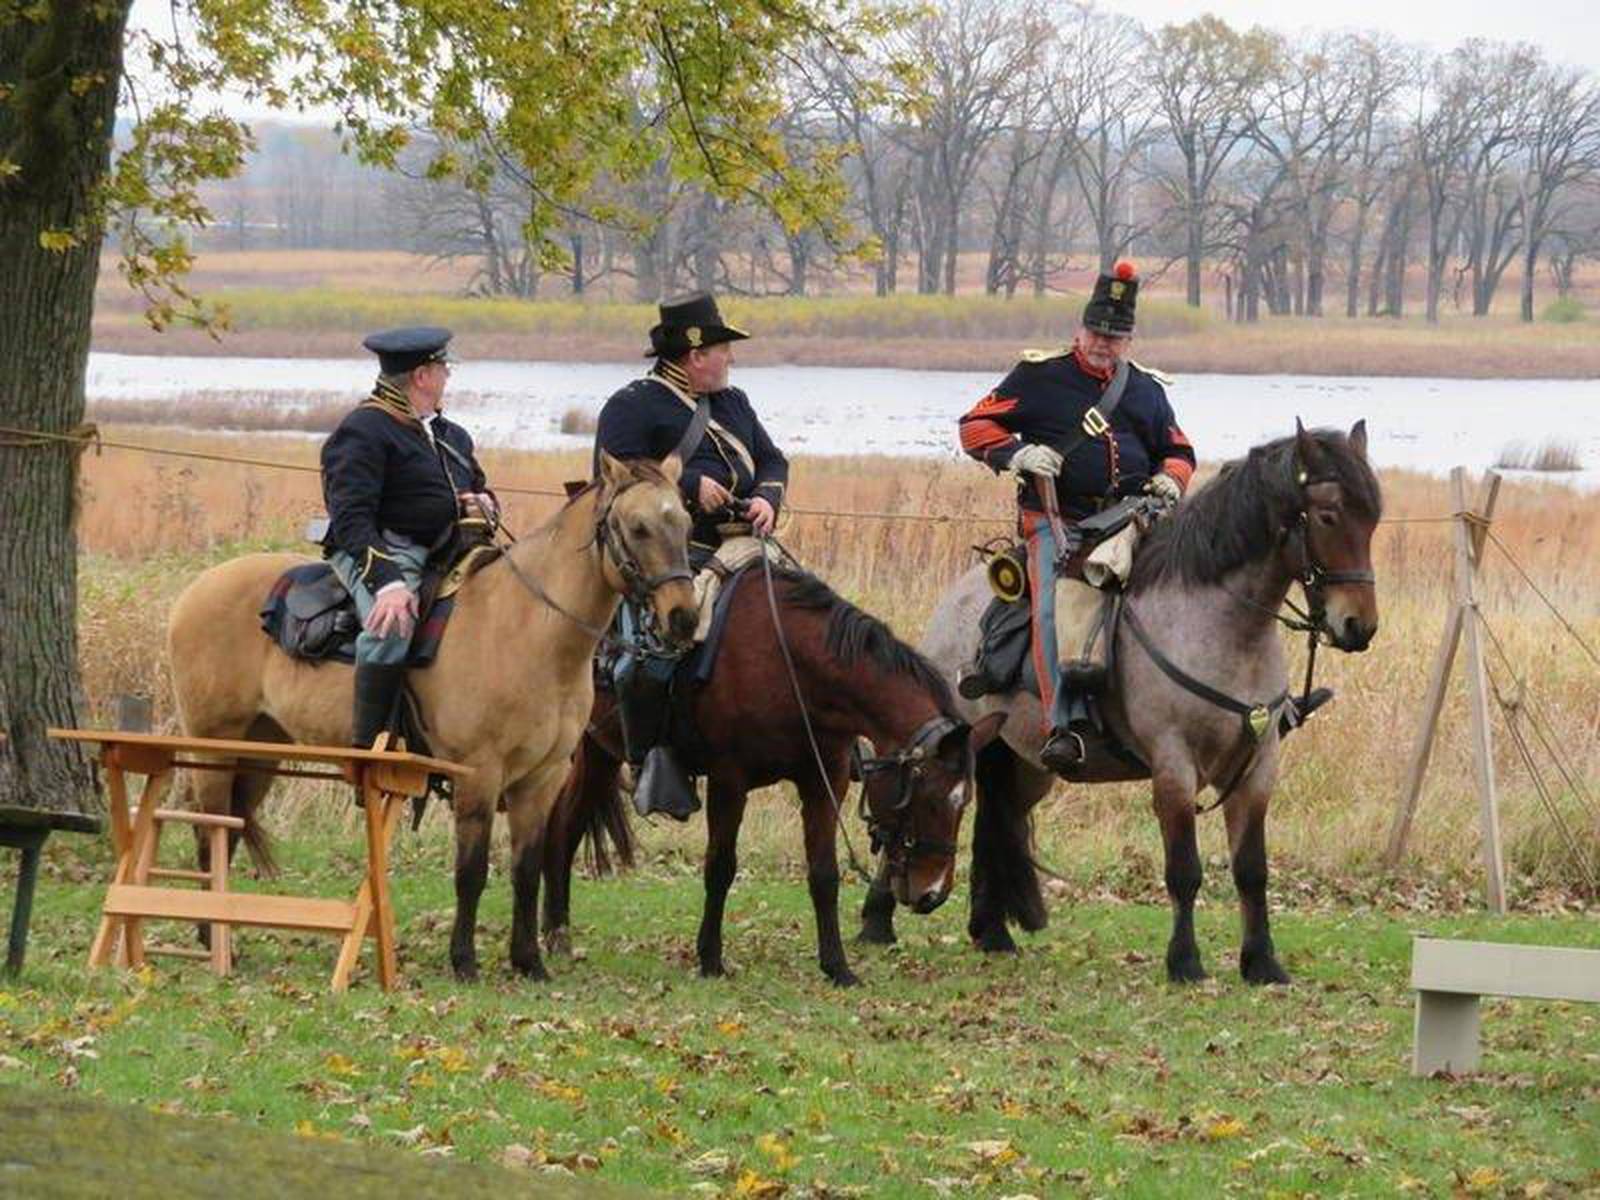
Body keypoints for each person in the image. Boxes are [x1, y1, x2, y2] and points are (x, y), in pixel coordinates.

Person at [957, 261, 1195, 771]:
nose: (1103, 343)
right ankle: (1062, 722)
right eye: (1096, 332)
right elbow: (974, 426)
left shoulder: (1146, 390)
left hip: (1133, 521)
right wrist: (1015, 453)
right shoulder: (1040, 376)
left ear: (1128, 341)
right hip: (1058, 521)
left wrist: (1170, 480)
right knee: (1051, 607)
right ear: (1079, 330)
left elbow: (1179, 449)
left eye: (1115, 335)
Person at [593, 292, 789, 819]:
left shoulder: (734, 403)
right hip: (677, 554)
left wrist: (767, 498)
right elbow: (613, 483)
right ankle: (653, 761)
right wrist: (688, 485)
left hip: (749, 544)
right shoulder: (632, 405)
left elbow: (772, 459)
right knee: (654, 657)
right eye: (724, 349)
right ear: (695, 354)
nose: (730, 358)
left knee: (817, 619)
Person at [320, 326, 497, 750]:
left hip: (451, 551)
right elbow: (350, 519)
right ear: (422, 376)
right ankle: (368, 750)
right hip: (382, 549)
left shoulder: (451, 434)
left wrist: (485, 503)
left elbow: (478, 484)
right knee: (391, 629)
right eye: (443, 368)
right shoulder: (364, 430)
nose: (447, 376)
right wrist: (389, 583)